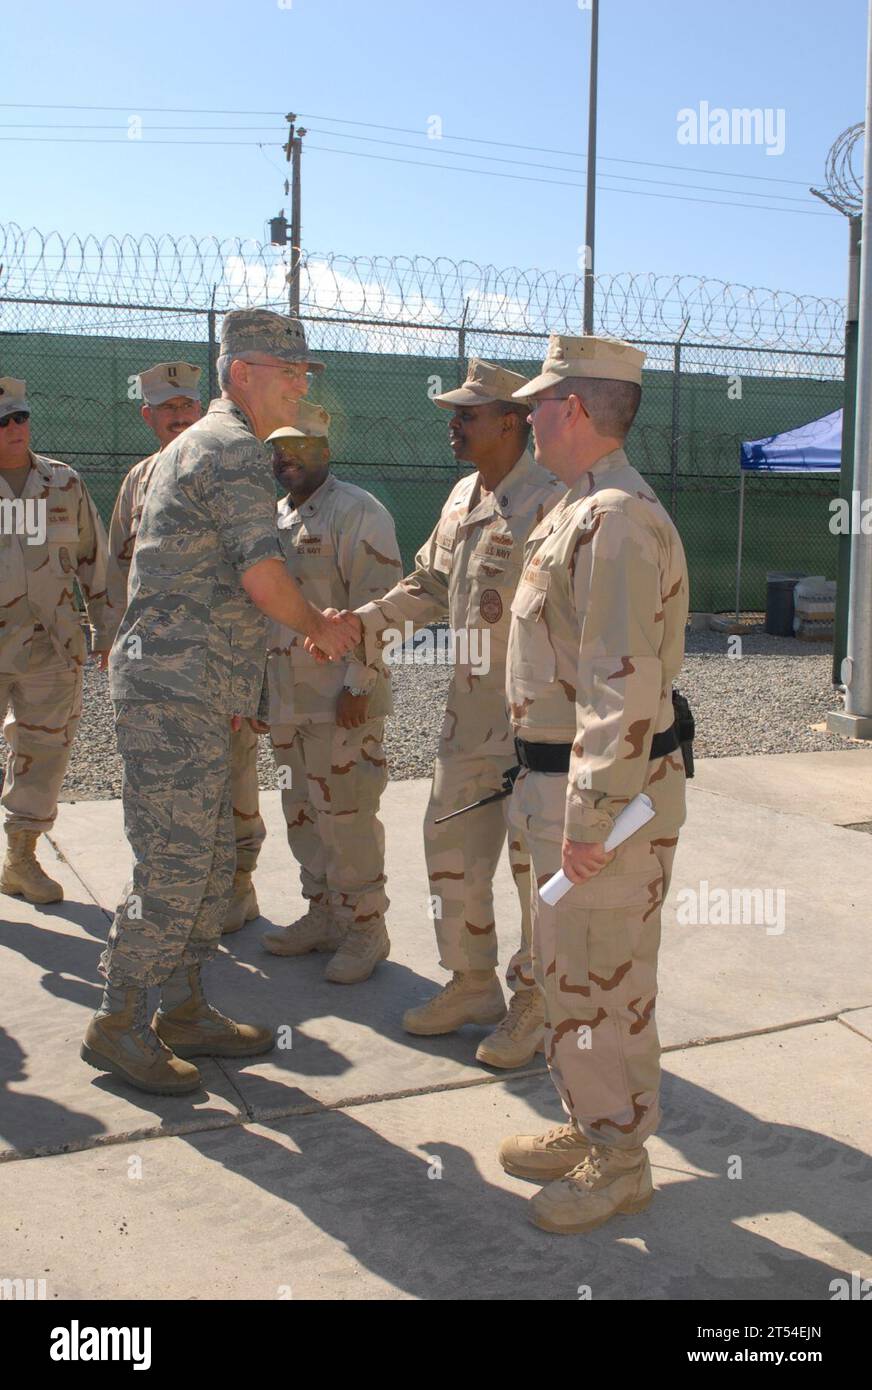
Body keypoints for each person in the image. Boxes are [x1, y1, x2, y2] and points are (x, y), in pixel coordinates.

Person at [80, 310, 358, 1097]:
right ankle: (118, 1019)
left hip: (197, 689)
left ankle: (185, 1006)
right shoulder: (231, 448)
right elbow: (262, 579)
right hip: (175, 695)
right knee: (173, 865)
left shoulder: (208, 444)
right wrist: (320, 630)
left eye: (307, 373)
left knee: (206, 859)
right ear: (243, 372)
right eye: (290, 369)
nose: (303, 384)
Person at [317, 359, 565, 1068]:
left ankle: (536, 1002)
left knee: (533, 870)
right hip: (469, 722)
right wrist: (358, 627)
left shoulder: (556, 500)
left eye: (468, 414)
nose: (453, 424)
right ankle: (471, 983)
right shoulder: (463, 497)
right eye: (453, 413)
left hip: (535, 727)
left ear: (513, 421)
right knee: (451, 853)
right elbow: (427, 584)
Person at [497, 334, 689, 1233]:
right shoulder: (578, 509)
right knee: (569, 975)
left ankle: (621, 1160)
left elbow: (621, 685)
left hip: (598, 807)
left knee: (605, 985)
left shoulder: (615, 520)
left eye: (538, 402)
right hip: (560, 795)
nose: (527, 415)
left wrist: (593, 817)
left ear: (573, 409)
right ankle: (590, 1124)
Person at [103, 355, 313, 936]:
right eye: (167, 408)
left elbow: (253, 579)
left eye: (185, 405)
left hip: (219, 677)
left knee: (226, 806)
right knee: (174, 842)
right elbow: (125, 572)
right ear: (148, 416)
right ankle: (133, 999)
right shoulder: (157, 474)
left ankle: (230, 895)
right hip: (175, 679)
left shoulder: (231, 454)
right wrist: (123, 647)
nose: (178, 416)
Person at [260, 402, 403, 982]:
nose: (286, 459)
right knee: (302, 815)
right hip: (288, 704)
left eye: (300, 449)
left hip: (340, 702)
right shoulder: (276, 518)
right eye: (277, 450)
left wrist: (360, 683)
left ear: (326, 449)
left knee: (347, 817)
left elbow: (384, 608)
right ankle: (322, 915)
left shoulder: (357, 513)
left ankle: (366, 928)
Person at [0, 377, 113, 904]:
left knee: (45, 750)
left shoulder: (63, 483)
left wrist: (109, 631)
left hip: (52, 643)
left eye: (19, 416)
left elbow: (96, 560)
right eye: (3, 421)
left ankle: (21, 859)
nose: (14, 428)